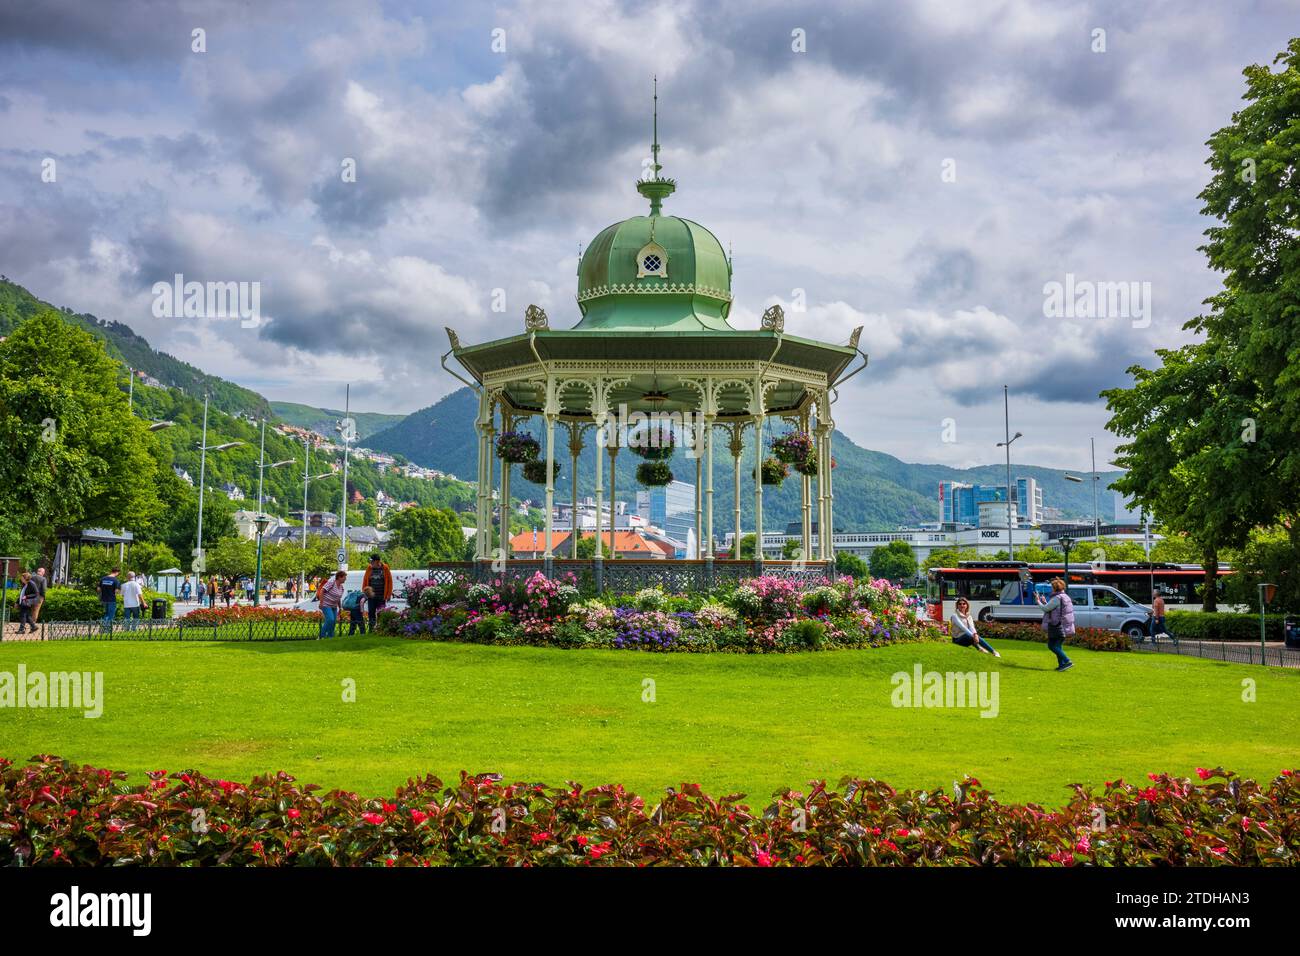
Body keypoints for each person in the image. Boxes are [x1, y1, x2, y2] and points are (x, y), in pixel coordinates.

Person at [1039, 578, 1075, 671]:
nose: (1051, 589)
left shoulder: (1057, 598)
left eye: (1052, 587)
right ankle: (1062, 665)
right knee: (1058, 646)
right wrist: (1044, 602)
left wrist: (1038, 601)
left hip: (1056, 626)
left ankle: (1067, 661)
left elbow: (1046, 609)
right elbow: (1054, 608)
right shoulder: (1065, 597)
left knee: (1052, 646)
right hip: (1063, 625)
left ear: (1055, 588)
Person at [365, 553, 393, 632]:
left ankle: (380, 629)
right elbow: (365, 581)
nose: (370, 563)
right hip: (371, 596)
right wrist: (365, 593)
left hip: (381, 596)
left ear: (377, 561)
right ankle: (371, 630)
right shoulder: (369, 568)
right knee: (371, 613)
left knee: (381, 613)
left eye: (372, 561)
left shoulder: (385, 568)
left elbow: (390, 582)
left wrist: (388, 594)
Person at [317, 570, 346, 638]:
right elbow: (322, 591)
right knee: (330, 619)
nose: (345, 579)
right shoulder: (331, 583)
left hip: (334, 606)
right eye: (344, 577)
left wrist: (340, 607)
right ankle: (321, 636)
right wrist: (321, 602)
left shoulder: (341, 587)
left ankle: (330, 637)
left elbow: (338, 598)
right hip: (326, 605)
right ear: (339, 577)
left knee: (333, 622)